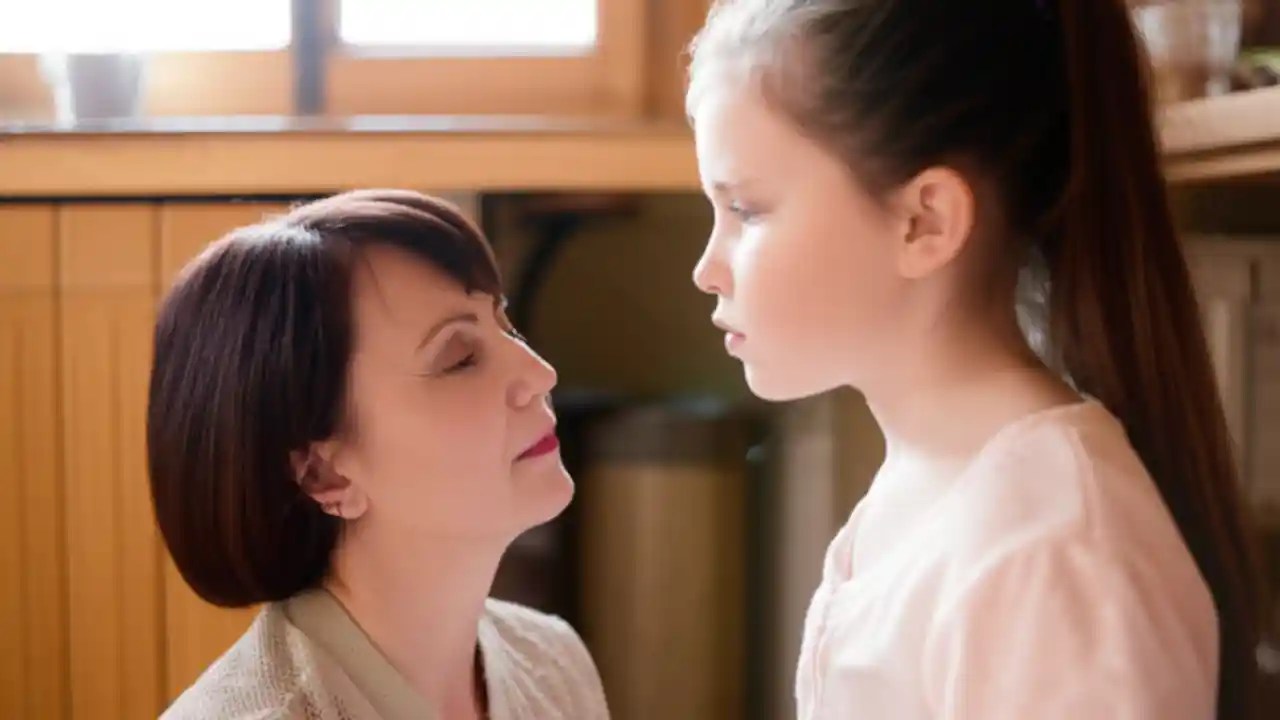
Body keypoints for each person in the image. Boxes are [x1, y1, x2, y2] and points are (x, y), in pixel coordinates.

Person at [686, 1, 1265, 718]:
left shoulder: (1051, 549)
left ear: (925, 221)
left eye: (746, 211)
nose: (707, 269)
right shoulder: (931, 485)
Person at [148, 189, 609, 719]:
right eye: (460, 358)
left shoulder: (554, 662)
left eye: (504, 325)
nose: (539, 373)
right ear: (323, 474)